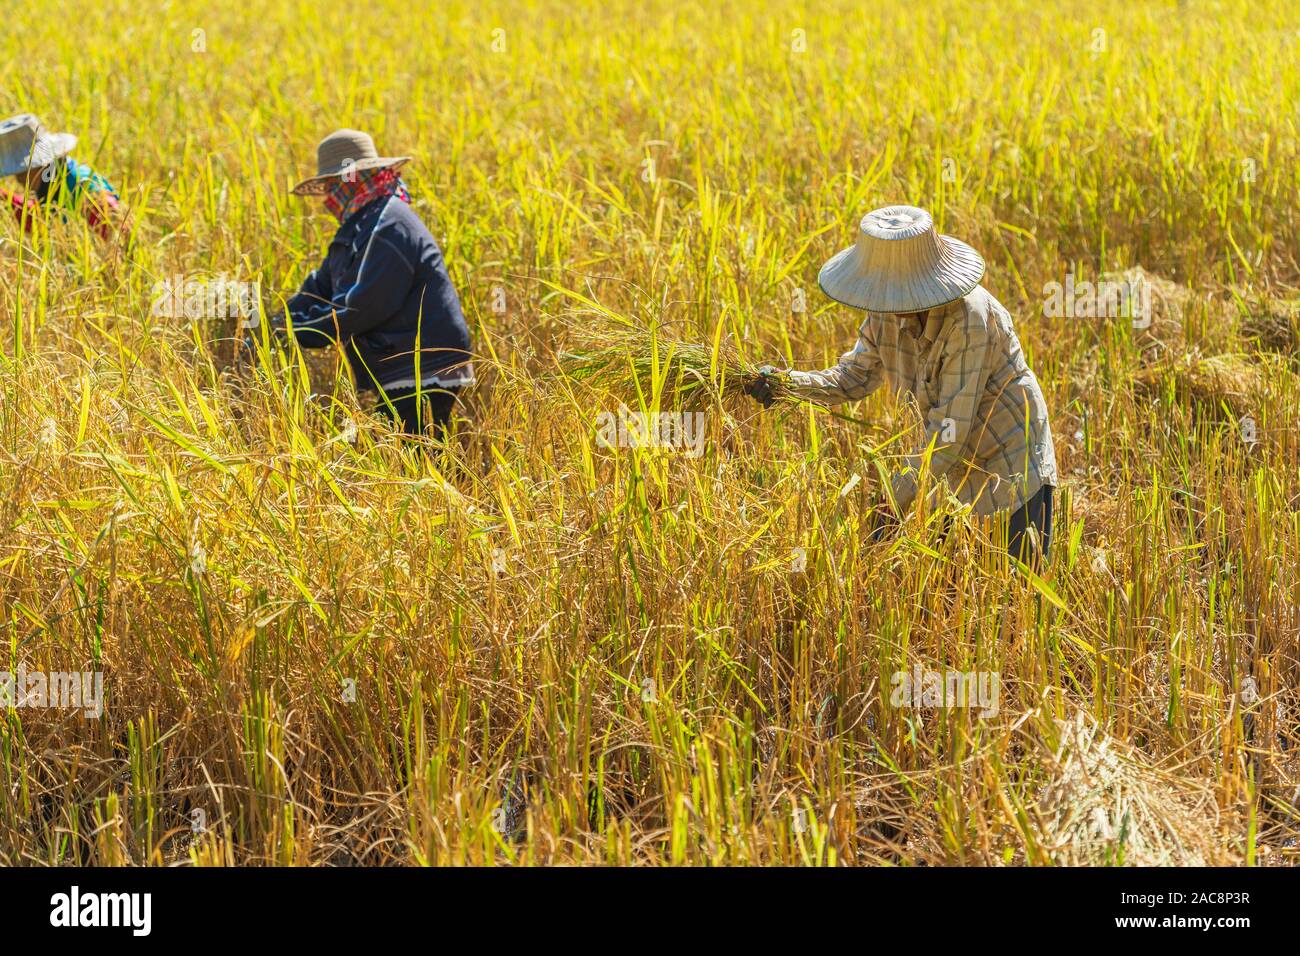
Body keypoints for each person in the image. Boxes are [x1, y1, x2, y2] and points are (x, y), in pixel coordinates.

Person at [746, 205, 1057, 564]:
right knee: (947, 595)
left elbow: (948, 435)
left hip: (1011, 458)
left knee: (1019, 590)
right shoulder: (883, 311)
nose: (887, 302)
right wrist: (785, 384)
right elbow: (853, 377)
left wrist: (892, 500)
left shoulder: (969, 320)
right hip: (954, 470)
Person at [267, 128, 474, 438]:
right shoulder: (359, 225)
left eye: (333, 185)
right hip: (405, 361)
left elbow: (363, 307)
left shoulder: (387, 225)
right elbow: (319, 287)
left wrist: (297, 332)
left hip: (424, 364)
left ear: (351, 181)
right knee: (406, 455)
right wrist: (277, 320)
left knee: (409, 461)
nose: (328, 197)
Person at [0, 114, 123, 240]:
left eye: (21, 172)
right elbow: (41, 220)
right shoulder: (53, 181)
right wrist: (5, 200)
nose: (18, 179)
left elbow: (117, 235)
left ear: (41, 163)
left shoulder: (85, 191)